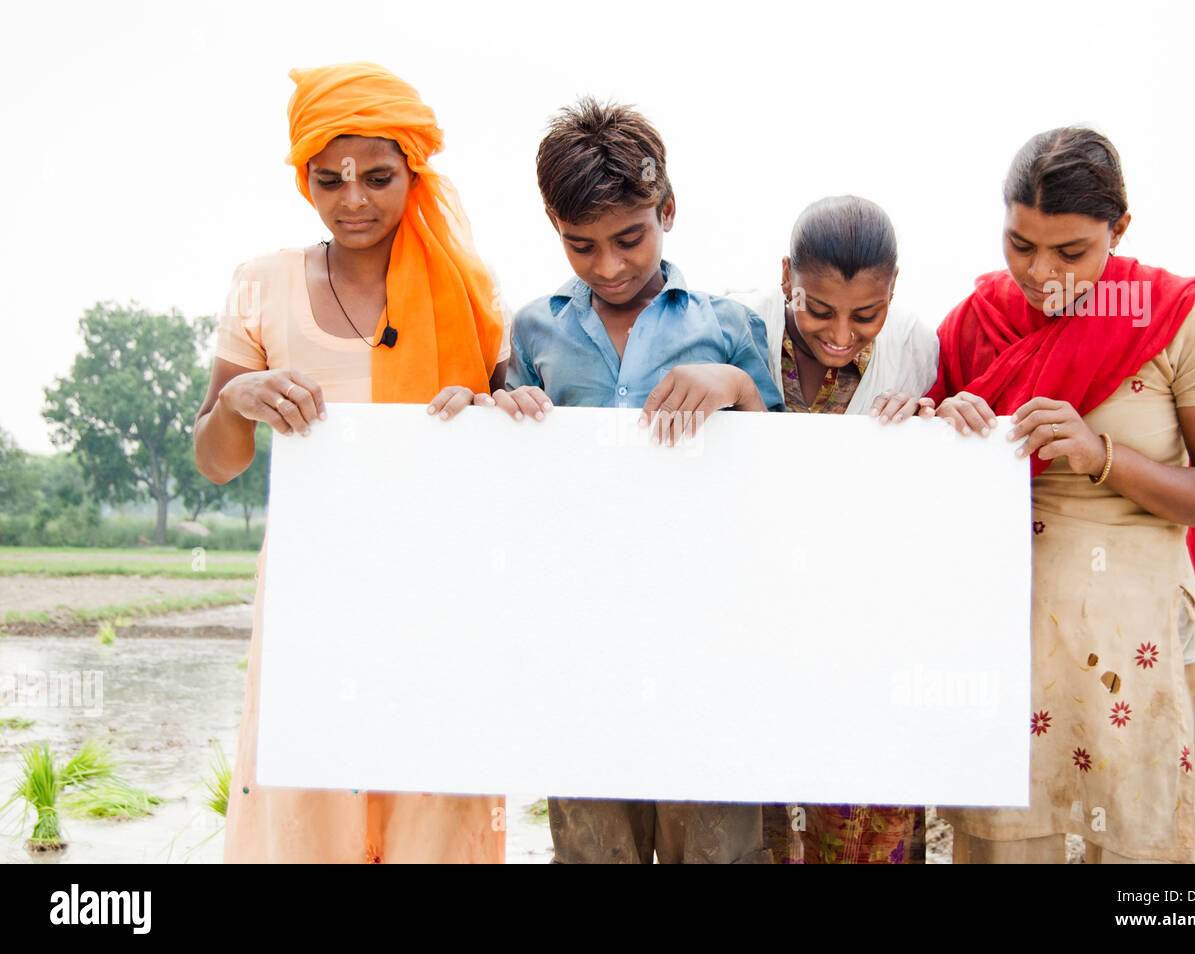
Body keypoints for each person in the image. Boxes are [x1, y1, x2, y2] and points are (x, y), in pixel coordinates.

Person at [193, 62, 509, 863]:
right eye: (329, 180)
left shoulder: (470, 293)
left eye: (377, 176)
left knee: (435, 801)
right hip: (310, 591)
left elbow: (509, 445)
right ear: (305, 181)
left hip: (439, 591)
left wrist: (488, 415)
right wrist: (238, 402)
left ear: (414, 173)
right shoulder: (259, 285)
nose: (354, 199)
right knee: (308, 795)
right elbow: (215, 462)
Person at [926, 127, 1195, 863]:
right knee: (1008, 844)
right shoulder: (975, 324)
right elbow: (928, 496)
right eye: (1019, 245)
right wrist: (941, 427)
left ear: (1120, 230)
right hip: (1010, 641)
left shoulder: (1176, 317)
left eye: (1071, 252)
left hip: (1134, 643)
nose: (1042, 274)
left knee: (1136, 852)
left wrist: (1104, 456)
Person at [498, 97, 783, 863]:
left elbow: (782, 476)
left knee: (717, 844)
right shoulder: (533, 331)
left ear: (669, 209)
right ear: (554, 229)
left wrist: (734, 385)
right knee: (595, 845)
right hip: (583, 630)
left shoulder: (727, 327)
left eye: (631, 237)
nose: (610, 265)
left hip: (706, 629)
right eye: (580, 245)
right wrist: (509, 406)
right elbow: (511, 479)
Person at [732, 195, 937, 863]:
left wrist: (933, 418)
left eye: (864, 314)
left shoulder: (915, 347)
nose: (841, 333)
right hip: (751, 615)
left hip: (867, 622)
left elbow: (935, 484)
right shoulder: (736, 327)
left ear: (894, 290)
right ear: (787, 274)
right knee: (748, 820)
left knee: (864, 821)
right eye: (817, 309)